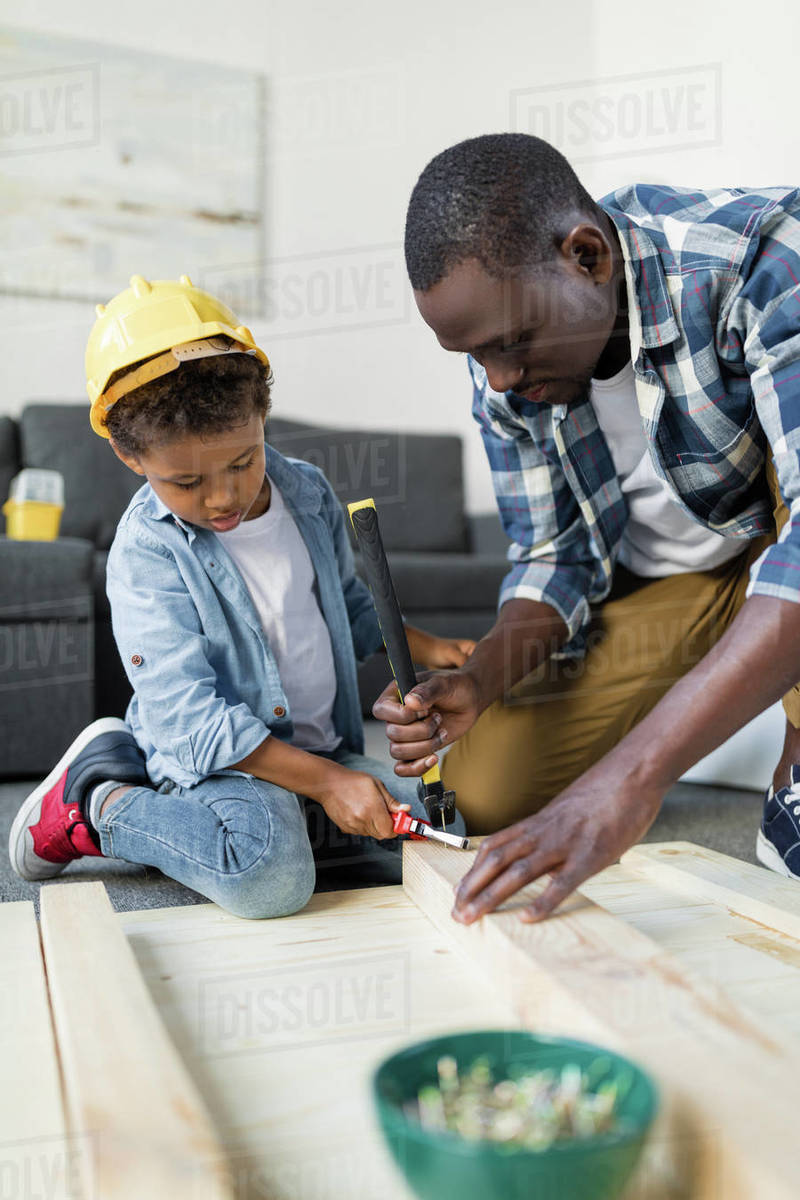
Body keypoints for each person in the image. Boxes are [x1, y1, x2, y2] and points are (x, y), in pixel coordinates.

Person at [374, 133, 800, 925]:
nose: (498, 381)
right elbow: (553, 553)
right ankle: (718, 683)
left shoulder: (759, 259)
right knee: (483, 789)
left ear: (587, 256)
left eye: (508, 347)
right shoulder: (504, 352)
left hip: (778, 542)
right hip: (676, 586)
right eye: (473, 356)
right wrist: (481, 680)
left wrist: (632, 778)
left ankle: (797, 764)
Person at [8, 274, 469, 917]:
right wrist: (332, 784)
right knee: (267, 877)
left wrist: (435, 648)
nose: (224, 498)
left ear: (262, 417)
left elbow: (349, 606)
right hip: (219, 762)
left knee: (455, 832)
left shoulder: (306, 493)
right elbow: (193, 721)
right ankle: (97, 804)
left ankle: (300, 818)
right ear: (126, 454)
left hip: (322, 746)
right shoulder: (146, 555)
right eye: (188, 481)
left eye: (243, 461)